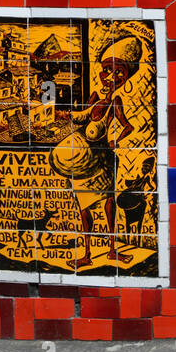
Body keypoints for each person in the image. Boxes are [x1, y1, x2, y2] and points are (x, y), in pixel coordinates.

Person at [49, 35, 146, 269]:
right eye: (107, 70)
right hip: (82, 162)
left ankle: (112, 250)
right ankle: (87, 254)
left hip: (103, 160)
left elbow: (129, 126)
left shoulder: (116, 103)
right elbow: (78, 118)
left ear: (126, 77)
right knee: (84, 208)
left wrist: (115, 141)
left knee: (109, 205)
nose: (111, 77)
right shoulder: (93, 98)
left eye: (119, 73)